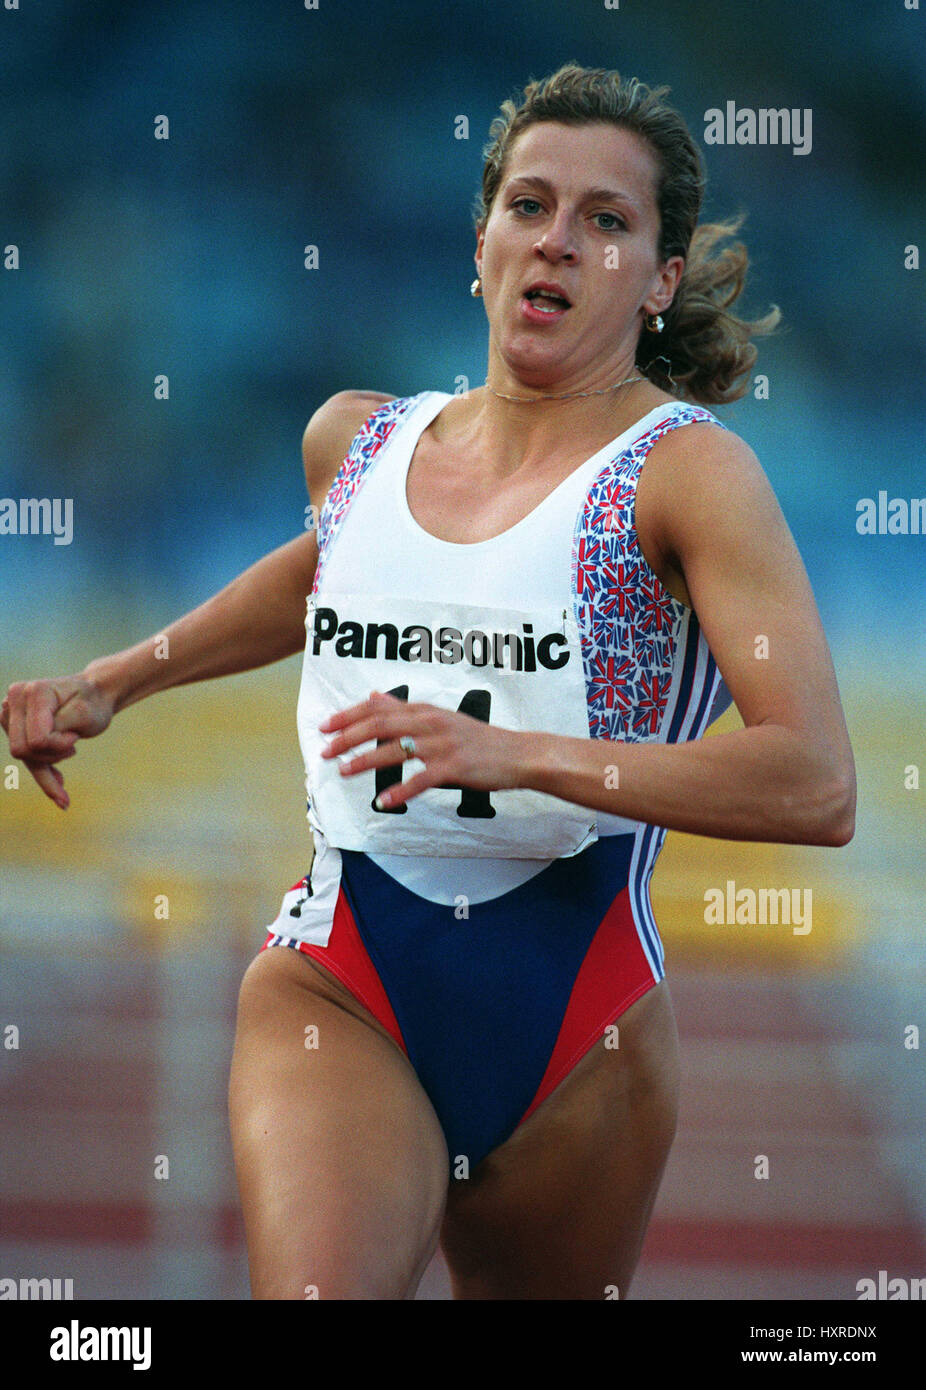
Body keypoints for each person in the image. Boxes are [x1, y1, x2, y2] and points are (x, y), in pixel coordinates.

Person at [2, 64, 855, 1300]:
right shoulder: (357, 439)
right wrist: (111, 681)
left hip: (580, 1023)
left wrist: (520, 756)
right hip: (343, 974)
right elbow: (322, 575)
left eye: (606, 221)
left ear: (659, 279)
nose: (556, 240)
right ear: (481, 239)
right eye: (528, 204)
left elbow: (815, 780)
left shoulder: (689, 477)